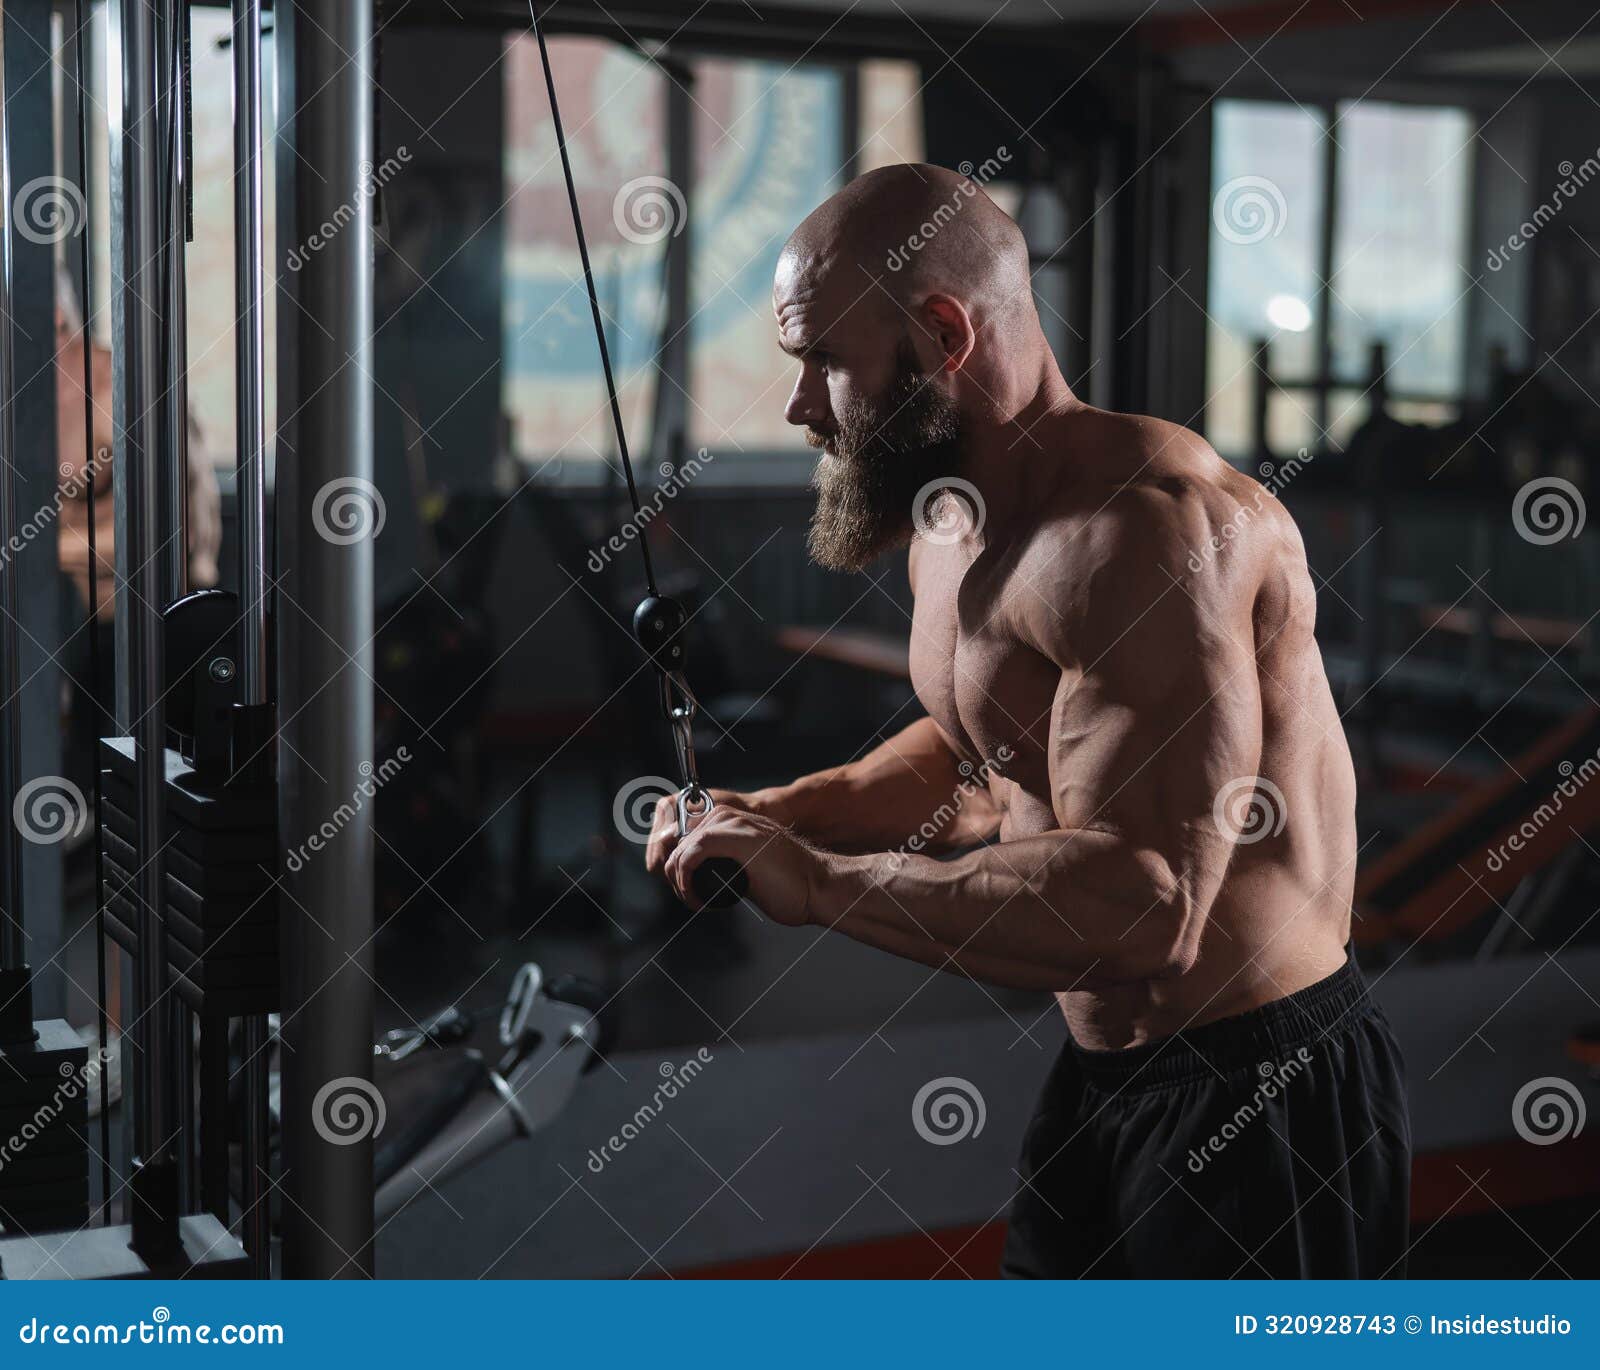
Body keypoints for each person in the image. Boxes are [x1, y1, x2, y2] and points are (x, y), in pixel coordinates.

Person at [646, 163, 1410, 1278]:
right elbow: (978, 759)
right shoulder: (949, 525)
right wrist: (777, 811)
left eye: (822, 361)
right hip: (1105, 1078)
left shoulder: (1145, 534)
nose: (801, 406)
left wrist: (815, 882)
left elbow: (1145, 901)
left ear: (943, 332)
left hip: (1262, 1097)